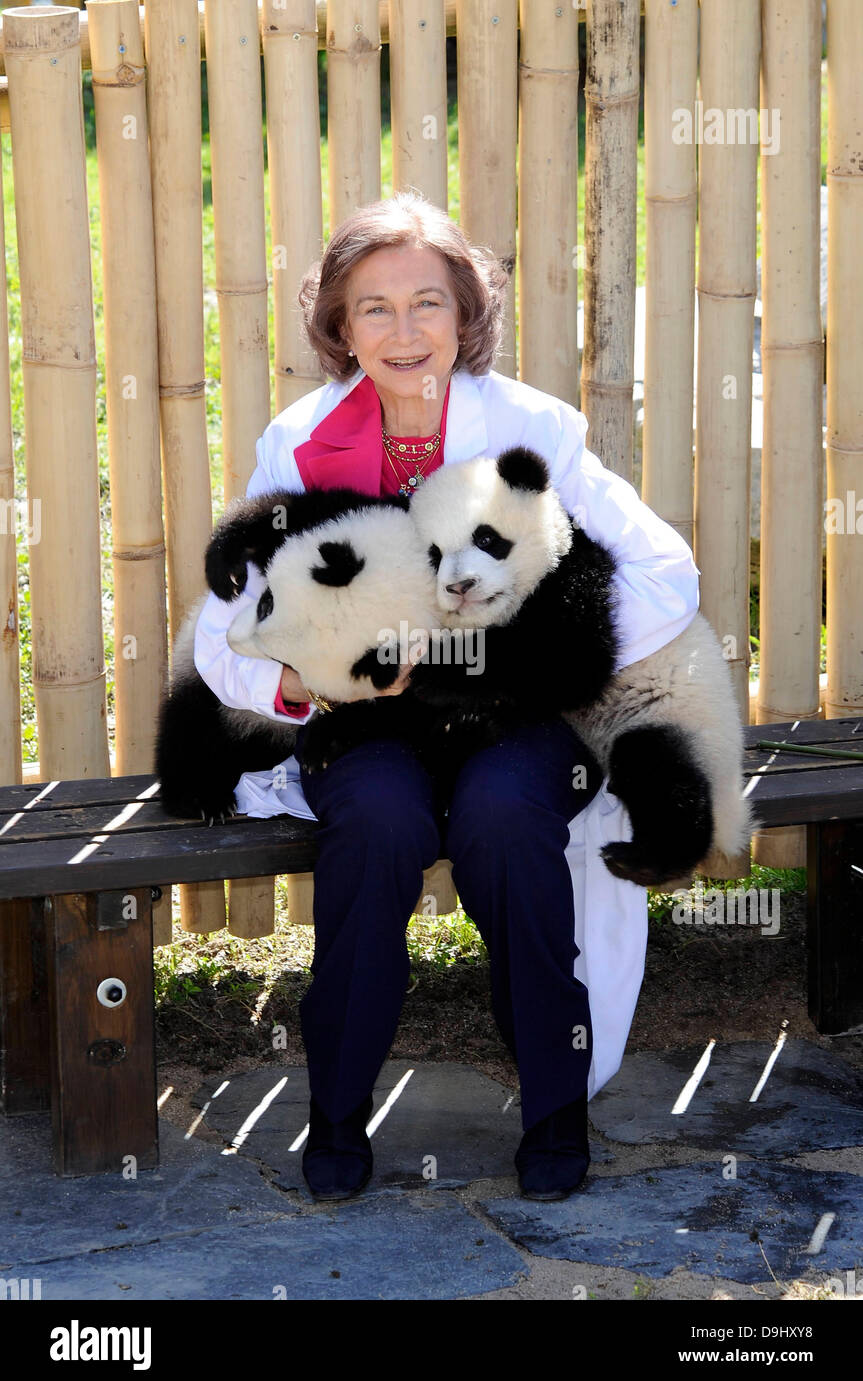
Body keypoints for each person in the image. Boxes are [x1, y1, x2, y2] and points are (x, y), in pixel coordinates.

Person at [194, 191, 699, 1202]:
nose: (403, 329)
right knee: (375, 822)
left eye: (427, 302)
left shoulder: (532, 430)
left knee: (503, 817)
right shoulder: (299, 445)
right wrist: (300, 676)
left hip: (516, 718)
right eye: (372, 308)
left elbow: (664, 574)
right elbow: (225, 624)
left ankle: (553, 1110)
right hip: (374, 723)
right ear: (337, 329)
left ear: (464, 314)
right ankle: (335, 1114)